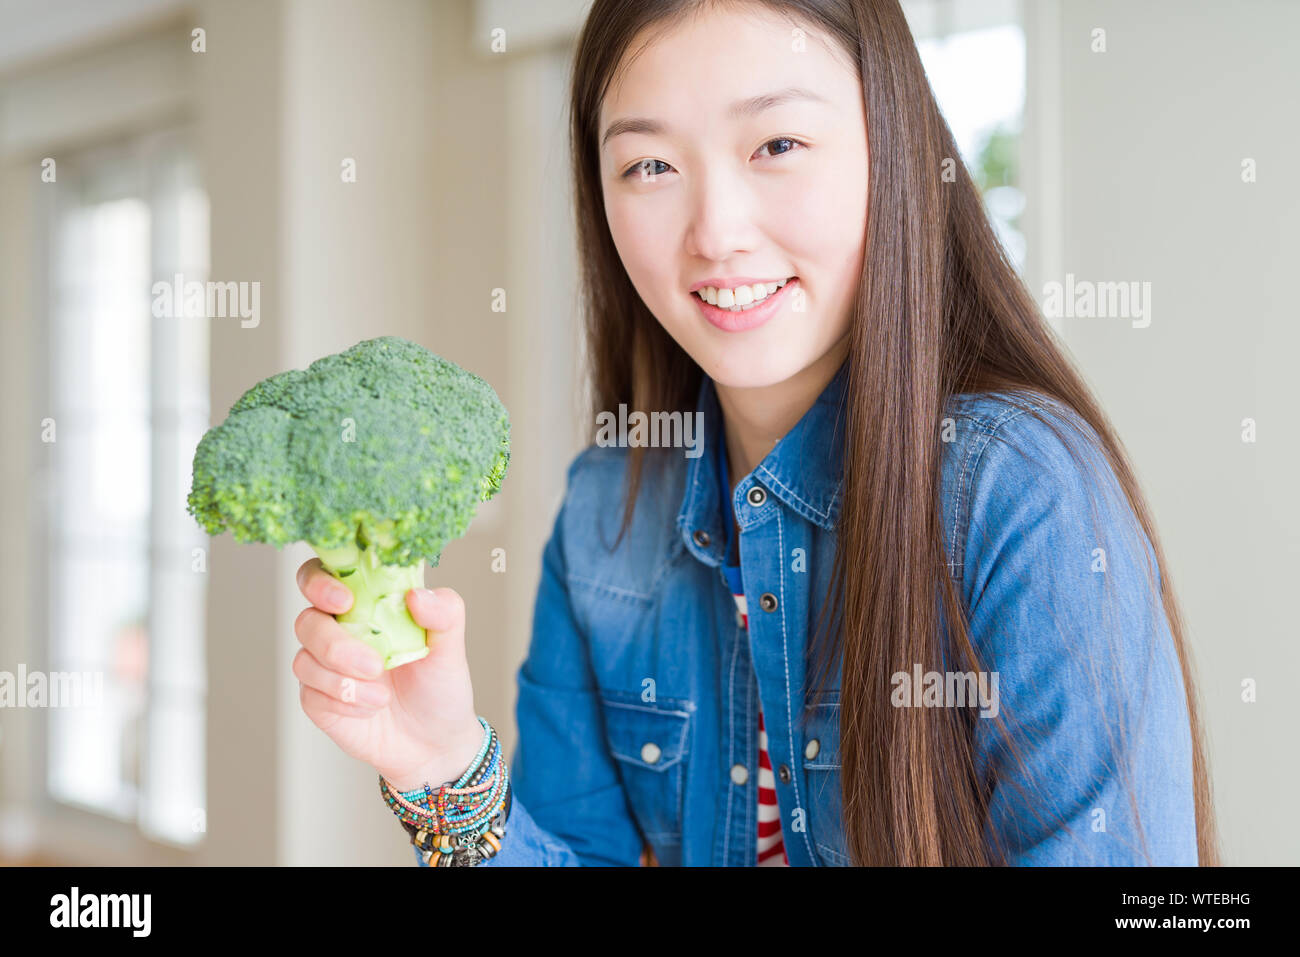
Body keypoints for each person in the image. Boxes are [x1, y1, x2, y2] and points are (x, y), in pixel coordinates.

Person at [292, 0, 1219, 866]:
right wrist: (443, 765)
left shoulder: (1019, 492)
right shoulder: (605, 515)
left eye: (776, 143)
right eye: (650, 165)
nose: (716, 233)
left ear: (891, 148)